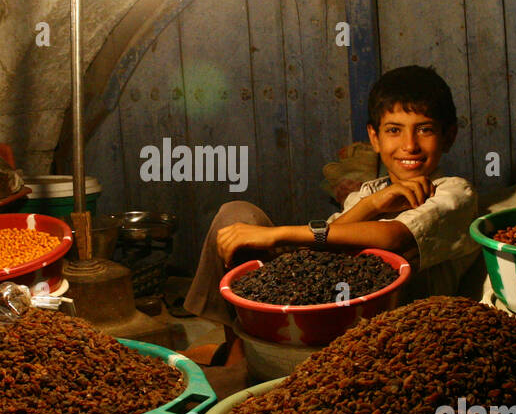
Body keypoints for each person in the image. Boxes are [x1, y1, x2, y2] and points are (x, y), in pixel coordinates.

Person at [183, 64, 478, 339]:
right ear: (374, 138)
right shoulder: (370, 192)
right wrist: (371, 204)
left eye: (424, 129)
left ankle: (258, 350)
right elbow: (318, 252)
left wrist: (278, 233)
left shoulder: (455, 193)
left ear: (448, 137)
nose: (409, 145)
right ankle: (238, 339)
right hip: (329, 314)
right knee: (237, 215)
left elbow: (395, 238)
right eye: (394, 130)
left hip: (398, 332)